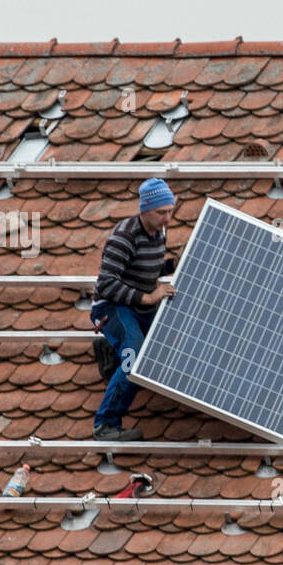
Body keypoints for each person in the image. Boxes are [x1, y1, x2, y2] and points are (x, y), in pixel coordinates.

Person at [90, 178, 178, 441]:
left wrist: (174, 264)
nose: (168, 219)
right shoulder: (124, 235)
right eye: (161, 213)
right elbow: (107, 284)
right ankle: (105, 425)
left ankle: (115, 351)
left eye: (170, 211)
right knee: (134, 358)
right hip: (112, 307)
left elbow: (146, 267)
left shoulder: (159, 232)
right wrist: (148, 298)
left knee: (174, 335)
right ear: (144, 210)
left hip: (138, 306)